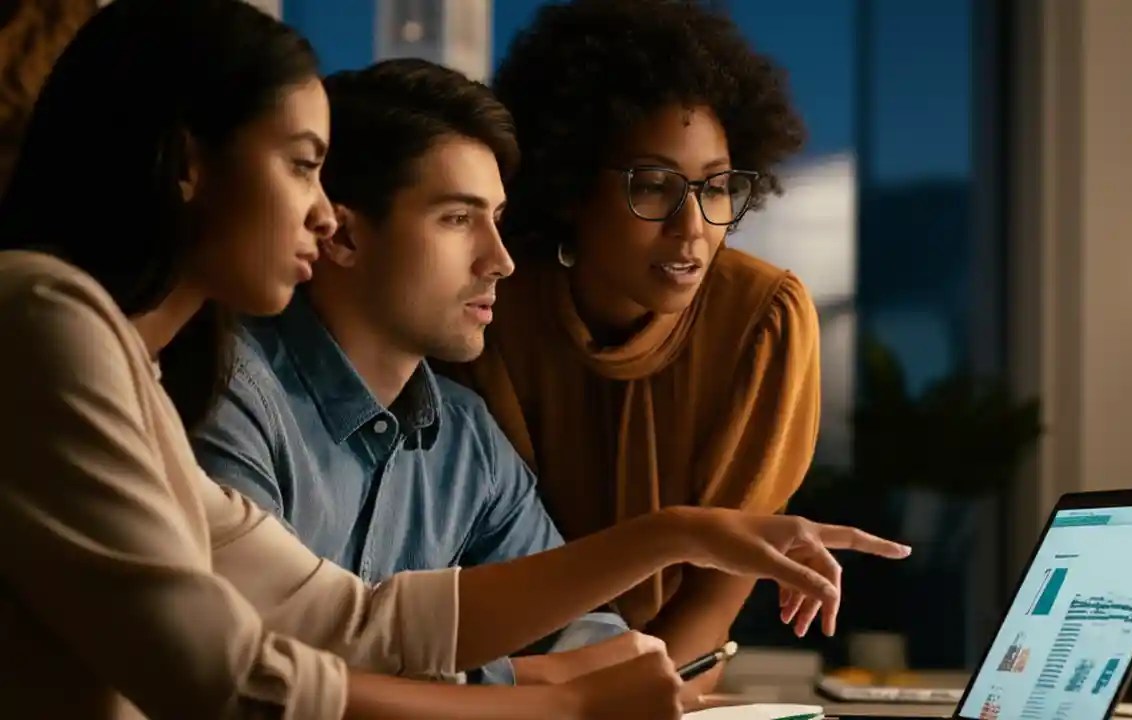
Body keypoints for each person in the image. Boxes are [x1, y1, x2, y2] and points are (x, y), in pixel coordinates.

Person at [0, 1, 910, 719]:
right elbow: (235, 681)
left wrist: (675, 533)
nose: (321, 214)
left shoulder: (139, 375)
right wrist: (553, 705)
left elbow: (354, 624)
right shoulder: (45, 317)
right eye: (302, 165)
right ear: (189, 163)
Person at [191, 58, 634, 688]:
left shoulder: (466, 438)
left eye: (498, 220)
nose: (501, 260)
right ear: (340, 235)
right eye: (457, 219)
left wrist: (569, 665)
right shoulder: (230, 391)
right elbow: (266, 671)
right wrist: (527, 680)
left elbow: (590, 634)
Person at [440, 0, 825, 693]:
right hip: (511, 674)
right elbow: (479, 578)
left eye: (716, 187)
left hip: (667, 680)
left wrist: (635, 699)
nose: (694, 229)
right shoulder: (490, 307)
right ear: (570, 184)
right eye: (653, 185)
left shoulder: (763, 320)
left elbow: (713, 596)